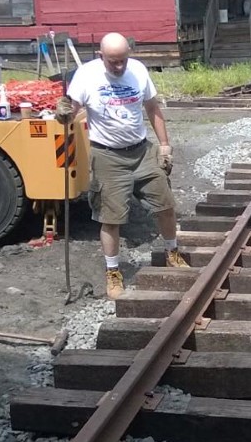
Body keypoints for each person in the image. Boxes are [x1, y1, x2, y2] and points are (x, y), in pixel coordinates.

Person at [57, 32, 189, 301]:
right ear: (101, 56)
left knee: (166, 204)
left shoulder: (137, 70)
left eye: (123, 61)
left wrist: (164, 145)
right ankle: (113, 272)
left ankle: (172, 252)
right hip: (107, 156)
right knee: (111, 218)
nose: (119, 67)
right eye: (113, 62)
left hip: (142, 151)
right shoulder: (86, 75)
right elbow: (71, 112)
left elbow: (152, 108)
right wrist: (64, 113)